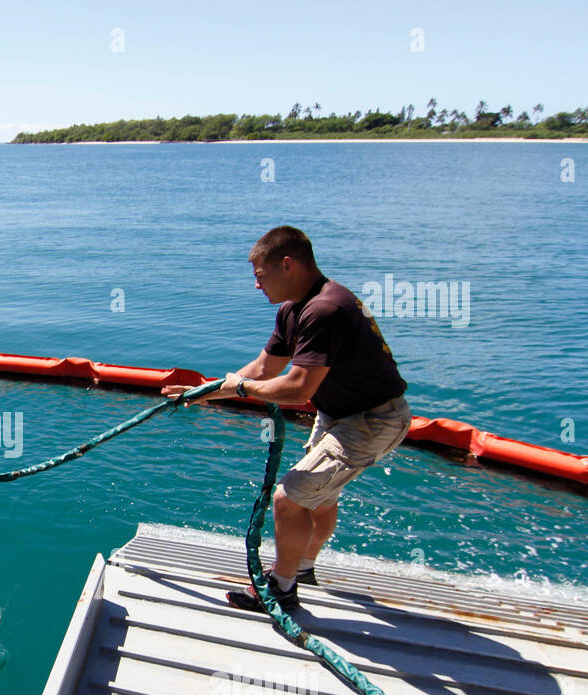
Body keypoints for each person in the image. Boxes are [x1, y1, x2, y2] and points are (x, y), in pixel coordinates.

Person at [163, 225, 411, 612]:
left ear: (287, 264)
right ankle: (303, 567)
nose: (256, 286)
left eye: (260, 276)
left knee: (289, 499)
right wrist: (203, 394)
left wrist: (241, 390)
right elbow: (264, 367)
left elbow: (297, 389)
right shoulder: (294, 309)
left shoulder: (325, 309)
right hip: (342, 414)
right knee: (319, 498)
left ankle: (281, 588)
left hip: (372, 421)